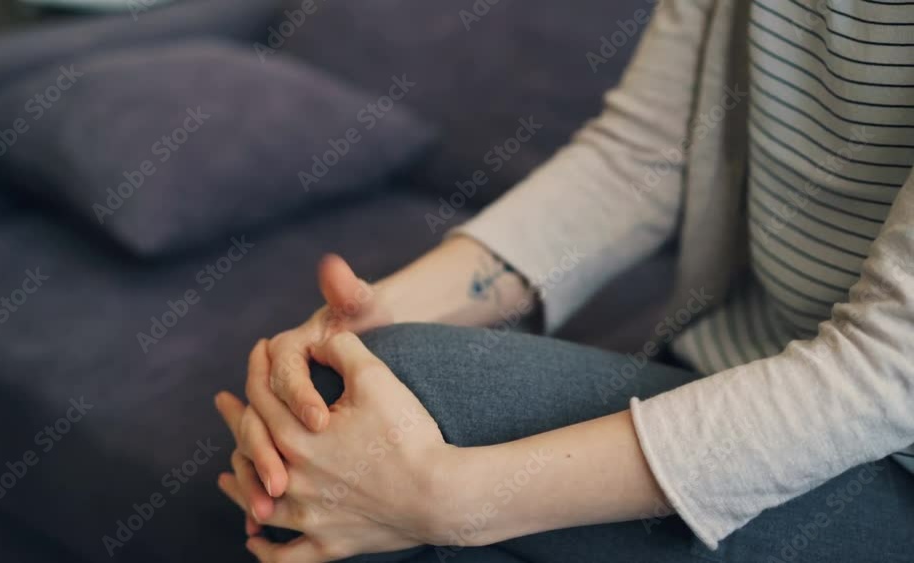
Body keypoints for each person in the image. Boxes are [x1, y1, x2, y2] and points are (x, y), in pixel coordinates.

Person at [214, 1, 914, 561]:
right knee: (336, 415)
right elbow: (640, 161)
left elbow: (884, 374)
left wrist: (449, 499)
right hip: (730, 367)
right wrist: (373, 320)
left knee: (397, 425)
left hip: (887, 458)